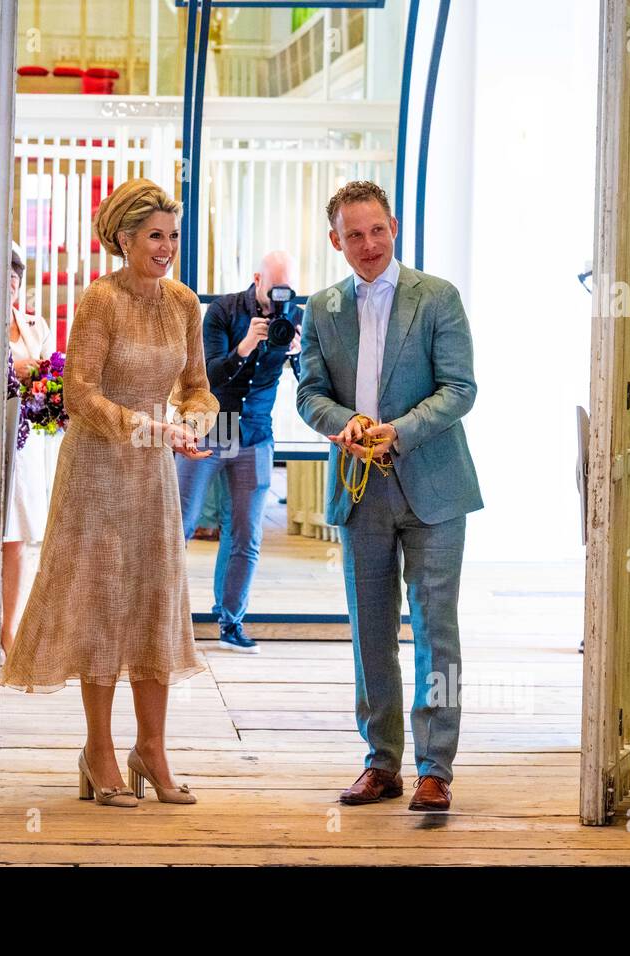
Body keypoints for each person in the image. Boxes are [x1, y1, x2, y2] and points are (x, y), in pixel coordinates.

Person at [0, 178, 219, 809]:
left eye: (173, 236)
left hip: (153, 477)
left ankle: (151, 748)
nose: (167, 247)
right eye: (156, 236)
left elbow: (199, 388)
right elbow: (79, 395)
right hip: (96, 471)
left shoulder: (183, 302)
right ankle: (98, 751)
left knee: (154, 600)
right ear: (123, 238)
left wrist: (193, 423)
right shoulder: (100, 300)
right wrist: (142, 424)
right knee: (101, 604)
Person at [296, 180, 482, 812]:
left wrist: (397, 433)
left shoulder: (438, 298)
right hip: (360, 493)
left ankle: (436, 769)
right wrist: (340, 424)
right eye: (354, 235)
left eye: (377, 230)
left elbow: (460, 388)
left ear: (393, 227)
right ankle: (382, 764)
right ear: (336, 240)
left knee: (438, 631)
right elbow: (308, 394)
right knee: (370, 632)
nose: (368, 244)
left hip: (435, 489)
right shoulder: (321, 308)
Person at [176, 250, 302, 653]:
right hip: (212, 426)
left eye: (288, 290)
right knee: (180, 523)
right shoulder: (222, 312)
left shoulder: (295, 319)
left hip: (255, 434)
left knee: (246, 533)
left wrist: (299, 356)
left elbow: (311, 381)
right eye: (274, 288)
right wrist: (246, 345)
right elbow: (209, 374)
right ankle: (161, 621)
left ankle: (231, 622)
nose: (280, 298)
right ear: (257, 279)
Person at [0, 243, 52, 655]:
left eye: (15, 282)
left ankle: (9, 627)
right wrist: (11, 369)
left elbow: (51, 374)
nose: (10, 289)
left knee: (16, 538)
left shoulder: (35, 325)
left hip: (25, 443)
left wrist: (41, 382)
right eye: (4, 280)